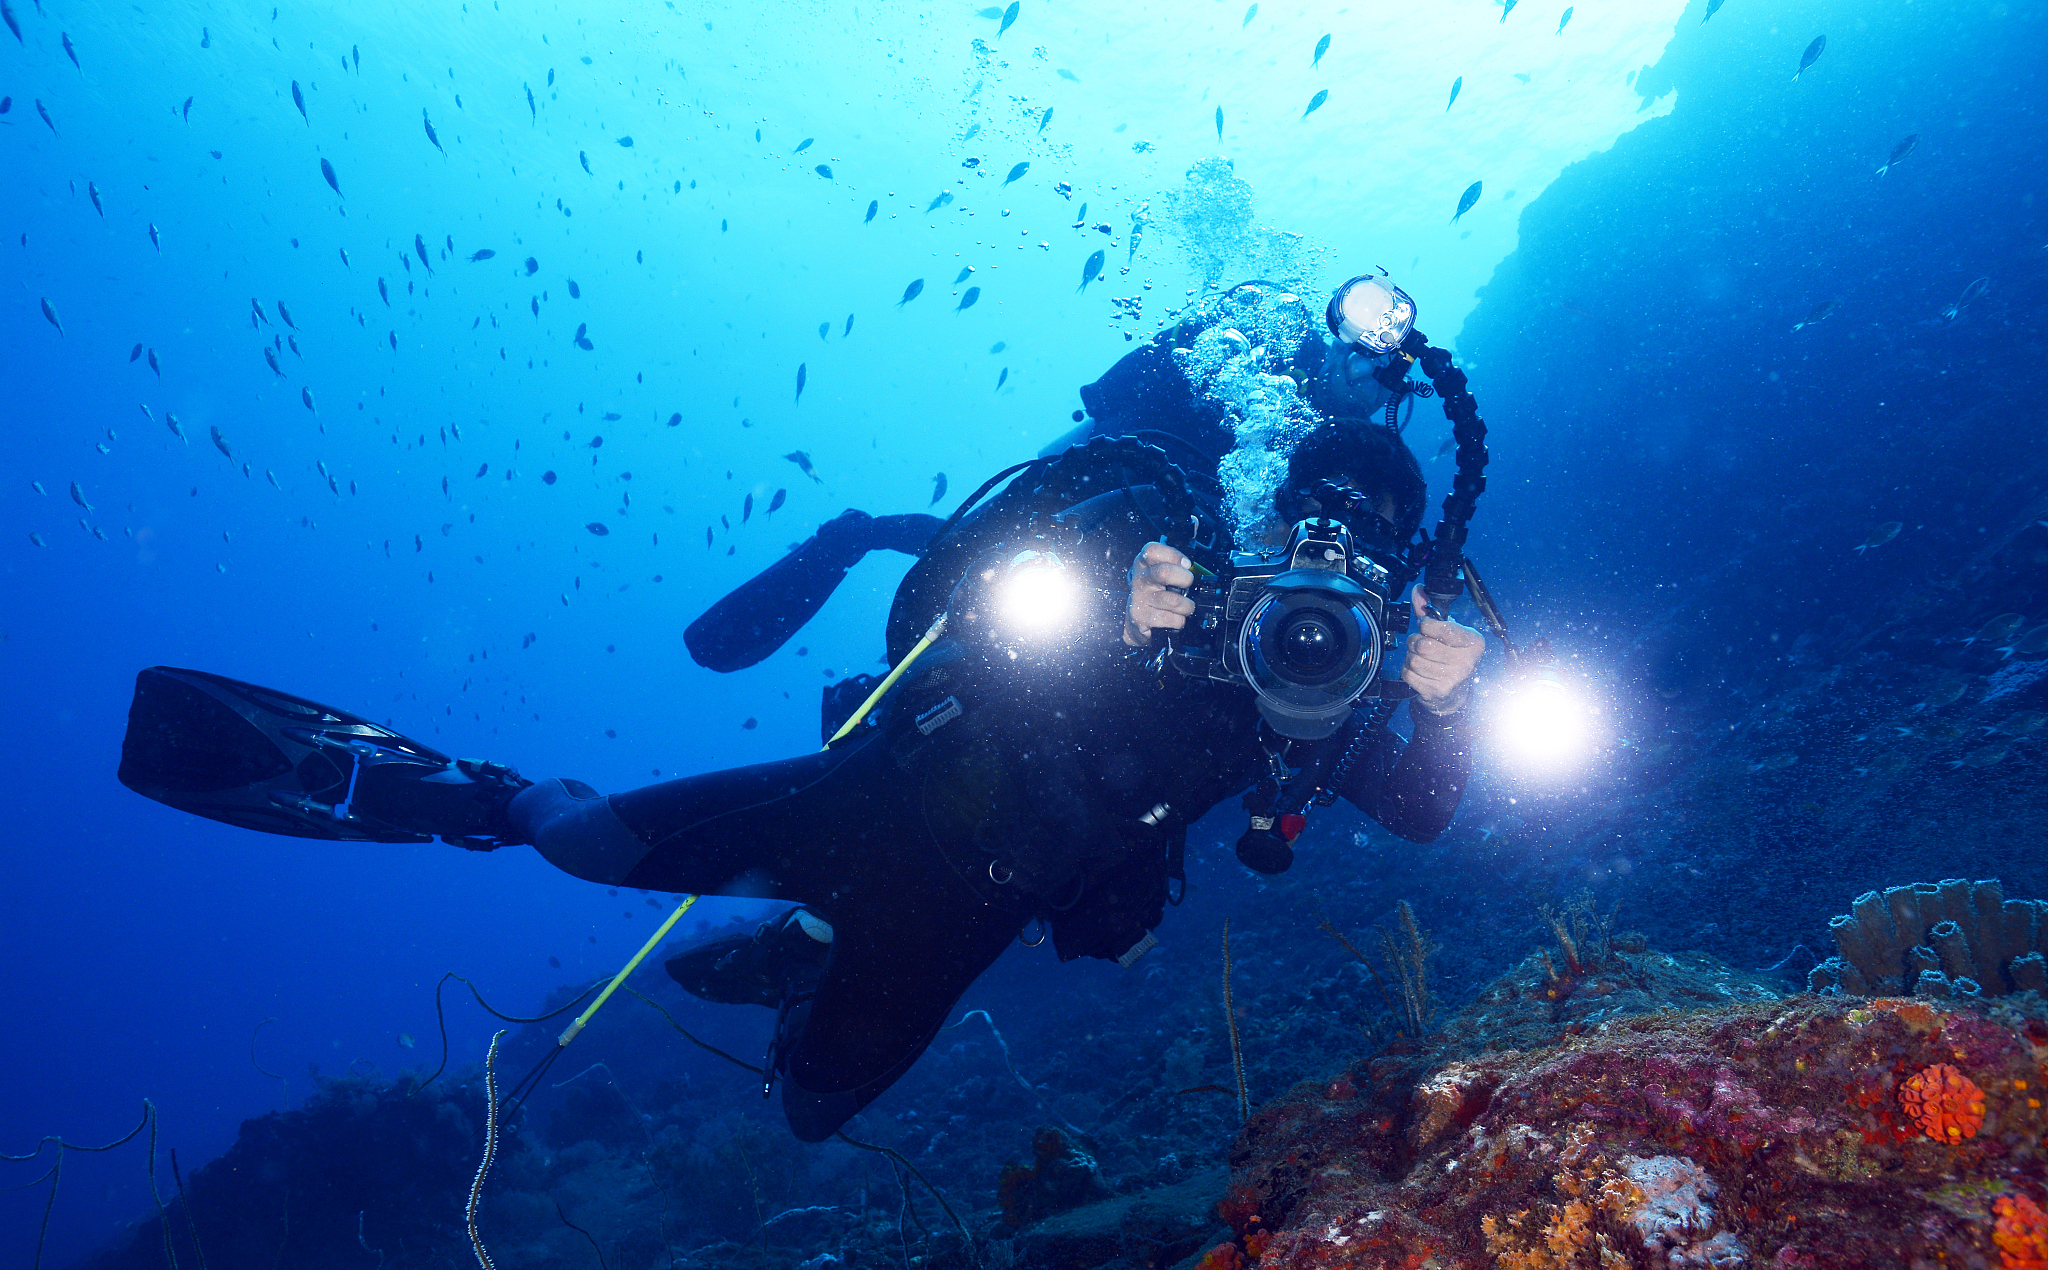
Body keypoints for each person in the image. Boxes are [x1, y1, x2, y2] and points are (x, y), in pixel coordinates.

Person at [117, 287, 1486, 1144]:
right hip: (886, 797)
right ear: (1274, 502)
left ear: (1401, 560)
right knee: (589, 844)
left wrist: (1452, 710)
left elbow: (1427, 812)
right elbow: (964, 642)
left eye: (1372, 536)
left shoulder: (1357, 681)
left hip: (982, 911)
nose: (1331, 564)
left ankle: (809, 949)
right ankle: (461, 792)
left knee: (815, 1116)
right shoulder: (1169, 561)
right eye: (1317, 512)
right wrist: (1111, 617)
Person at [683, 276, 1421, 676]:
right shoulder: (1269, 349)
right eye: (1367, 366)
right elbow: (1137, 394)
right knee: (983, 552)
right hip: (1111, 464)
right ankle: (862, 541)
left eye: (1388, 387)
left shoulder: (1333, 442)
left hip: (1177, 514)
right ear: (1343, 341)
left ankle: (932, 668)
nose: (1370, 389)